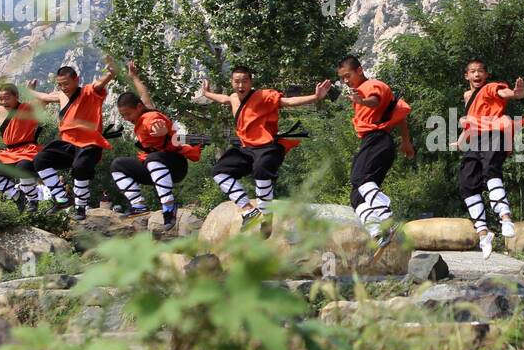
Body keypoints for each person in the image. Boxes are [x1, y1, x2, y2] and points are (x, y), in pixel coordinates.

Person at [202, 66, 333, 224]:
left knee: (261, 169)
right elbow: (223, 99)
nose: (241, 85)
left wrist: (315, 97)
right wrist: (207, 93)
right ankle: (248, 209)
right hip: (247, 149)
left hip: (266, 146)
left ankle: (266, 216)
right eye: (237, 81)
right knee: (219, 172)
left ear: (251, 82)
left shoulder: (263, 95)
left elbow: (288, 102)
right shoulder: (233, 98)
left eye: (245, 81)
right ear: (232, 82)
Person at [109, 61, 204, 228]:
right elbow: (144, 94)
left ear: (138, 108)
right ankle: (138, 205)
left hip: (175, 165)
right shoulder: (145, 109)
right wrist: (135, 77)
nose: (126, 118)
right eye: (123, 115)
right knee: (117, 165)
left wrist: (160, 131)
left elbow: (158, 124)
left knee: (152, 158)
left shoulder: (151, 118)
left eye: (128, 114)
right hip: (156, 168)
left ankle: (168, 207)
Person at [453, 60, 524, 258]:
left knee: (490, 170)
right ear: (466, 76)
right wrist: (460, 141)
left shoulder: (491, 88)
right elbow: (470, 120)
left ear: (486, 75)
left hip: (495, 134)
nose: (477, 75)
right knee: (467, 183)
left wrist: (515, 93)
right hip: (475, 139)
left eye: (480, 71)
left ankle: (505, 217)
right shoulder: (468, 96)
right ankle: (483, 233)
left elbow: (504, 93)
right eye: (473, 72)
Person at [336, 55, 413, 243]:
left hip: (377, 140)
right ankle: (377, 231)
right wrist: (406, 141)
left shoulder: (371, 86)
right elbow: (399, 113)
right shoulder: (359, 91)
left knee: (360, 178)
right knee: (356, 192)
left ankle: (388, 219)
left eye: (348, 76)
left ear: (360, 70)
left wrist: (362, 101)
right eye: (342, 78)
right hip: (373, 142)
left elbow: (374, 101)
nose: (346, 81)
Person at [28, 60, 118, 219]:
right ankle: (62, 199)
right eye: (60, 84)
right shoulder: (61, 96)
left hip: (89, 143)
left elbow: (100, 83)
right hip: (68, 144)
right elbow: (44, 96)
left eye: (66, 84)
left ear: (76, 80)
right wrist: (31, 92)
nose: (63, 87)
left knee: (80, 167)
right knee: (40, 159)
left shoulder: (89, 92)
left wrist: (111, 73)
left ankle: (80, 207)